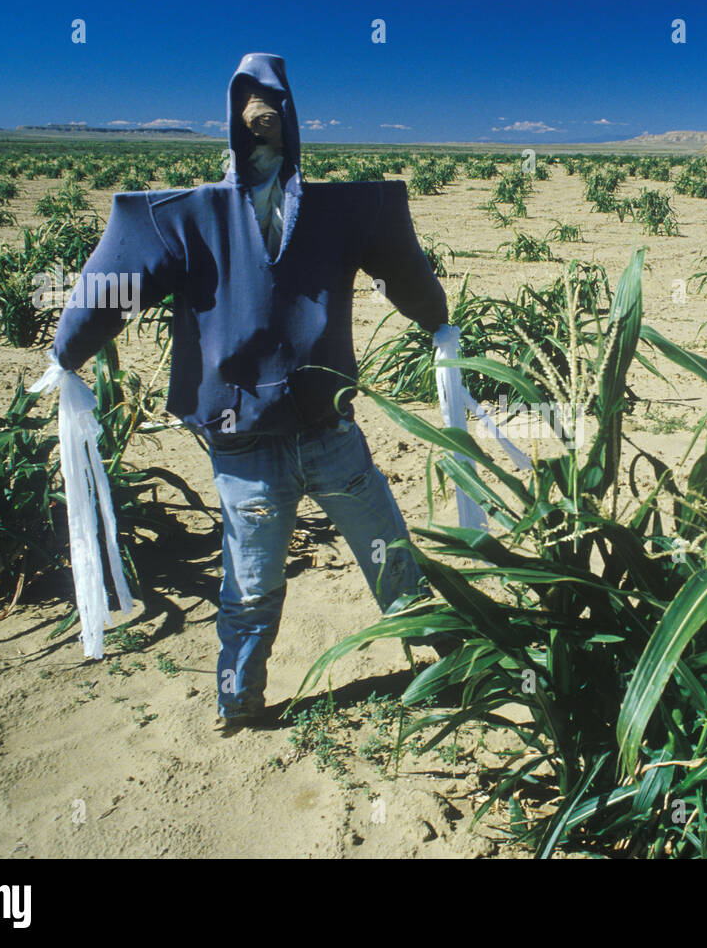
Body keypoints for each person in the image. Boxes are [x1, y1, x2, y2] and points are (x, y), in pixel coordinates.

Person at [51, 53, 449, 734]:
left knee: (386, 562)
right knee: (256, 585)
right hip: (248, 448)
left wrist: (439, 319)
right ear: (233, 131)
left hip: (325, 436)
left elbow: (401, 263)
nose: (260, 133)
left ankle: (447, 667)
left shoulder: (330, 211)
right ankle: (240, 703)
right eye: (250, 123)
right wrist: (69, 351)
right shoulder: (191, 217)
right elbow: (119, 274)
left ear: (291, 126)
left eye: (271, 120)